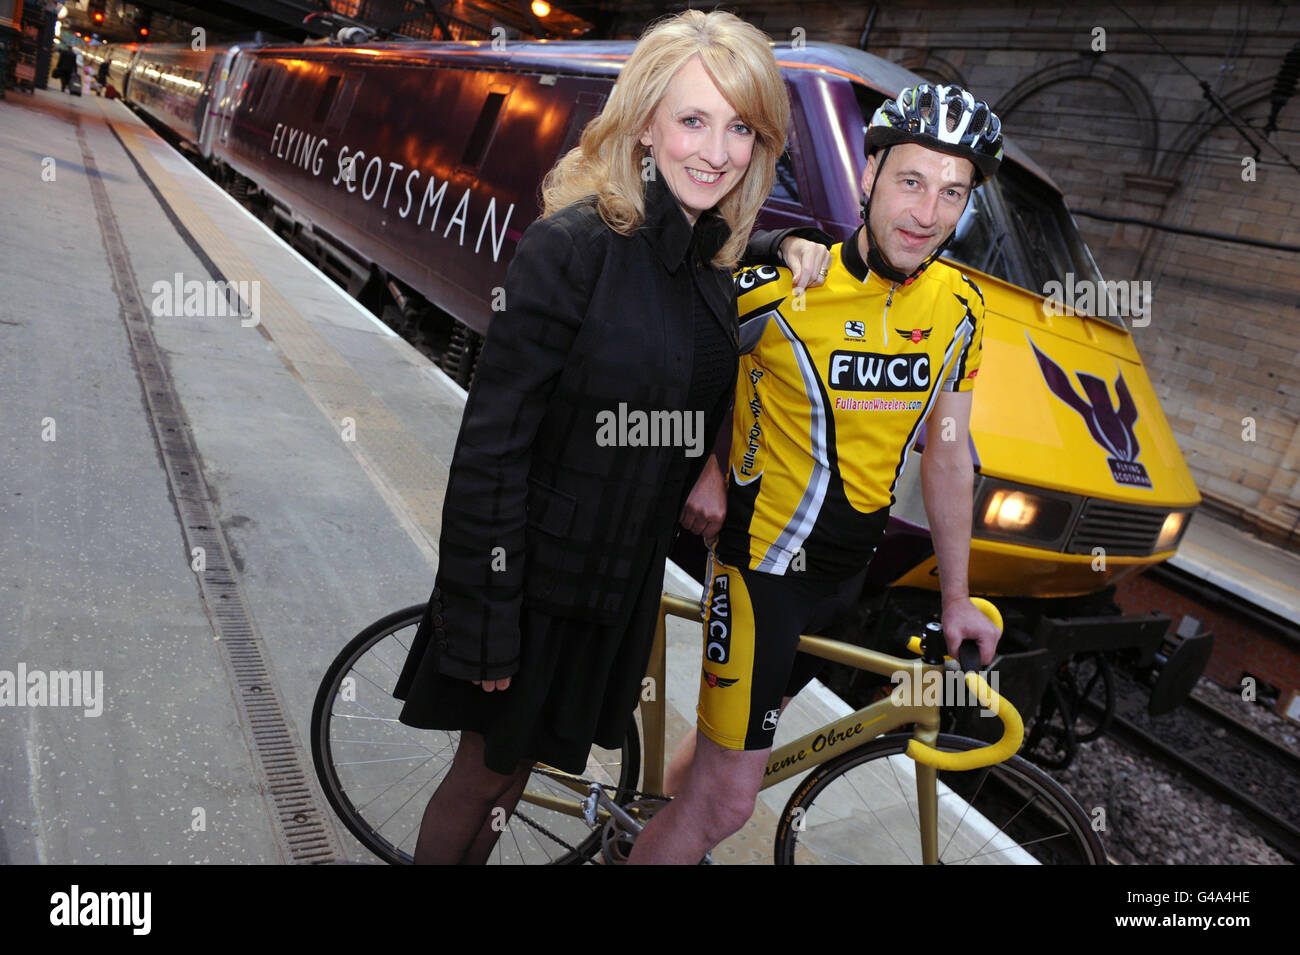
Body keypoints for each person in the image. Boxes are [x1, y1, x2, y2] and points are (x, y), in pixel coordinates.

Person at [390, 9, 827, 865]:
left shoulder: (705, 270)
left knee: (510, 779)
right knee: (482, 778)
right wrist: (484, 619)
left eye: (740, 128)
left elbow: (696, 359)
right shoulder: (570, 248)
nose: (716, 149)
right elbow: (490, 449)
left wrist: (787, 242)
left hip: (609, 585)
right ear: (644, 125)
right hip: (529, 582)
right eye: (693, 120)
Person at [628, 83, 1008, 864]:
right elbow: (673, 366)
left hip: (844, 581)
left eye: (952, 193)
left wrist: (958, 596)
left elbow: (946, 452)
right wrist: (705, 465)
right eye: (910, 181)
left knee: (711, 769)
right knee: (730, 802)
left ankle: (640, 836)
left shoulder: (961, 309)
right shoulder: (784, 287)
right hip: (761, 566)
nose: (927, 213)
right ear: (869, 176)